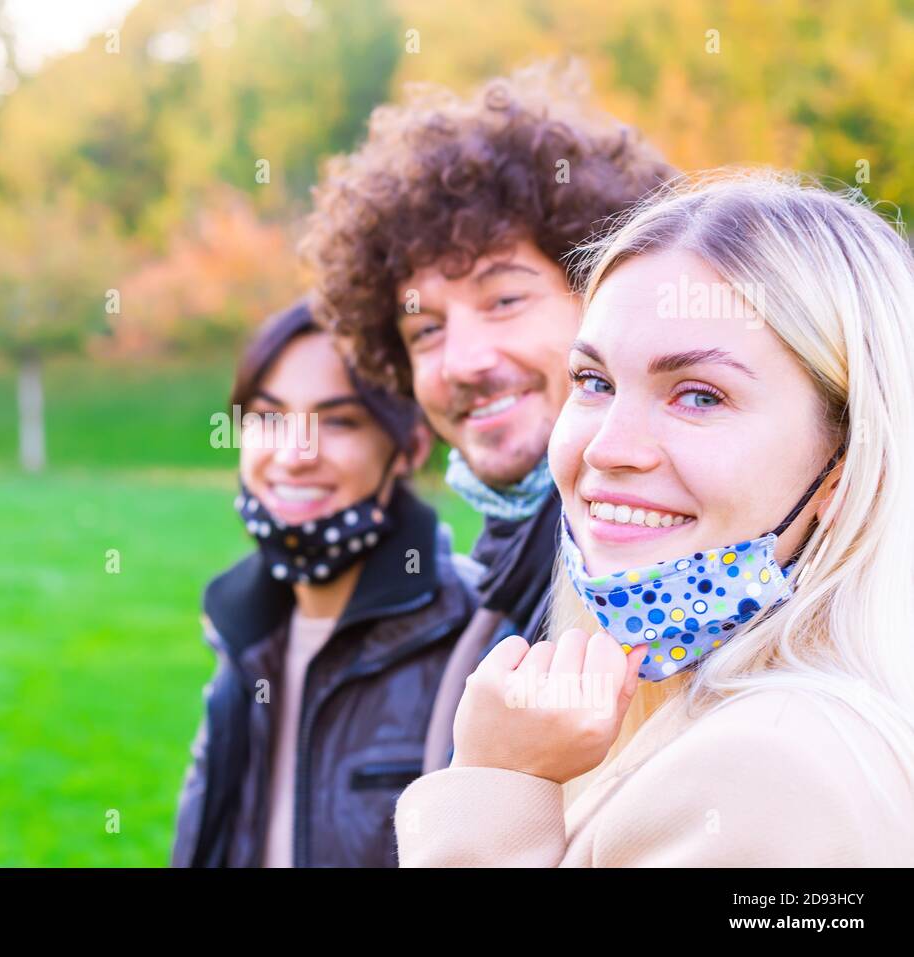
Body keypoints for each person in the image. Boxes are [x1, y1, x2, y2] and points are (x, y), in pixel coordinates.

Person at [395, 170, 914, 866]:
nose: (607, 447)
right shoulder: (704, 720)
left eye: (698, 396)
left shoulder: (769, 769)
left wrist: (498, 779)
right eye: (594, 382)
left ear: (845, 466)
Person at [301, 65, 674, 770]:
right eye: (426, 331)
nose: (464, 362)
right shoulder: (497, 569)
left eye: (505, 300)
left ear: (605, 296)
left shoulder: (654, 571)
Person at [170, 299, 482, 867]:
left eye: (338, 421)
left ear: (408, 449)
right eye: (268, 417)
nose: (293, 456)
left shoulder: (477, 638)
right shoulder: (240, 629)